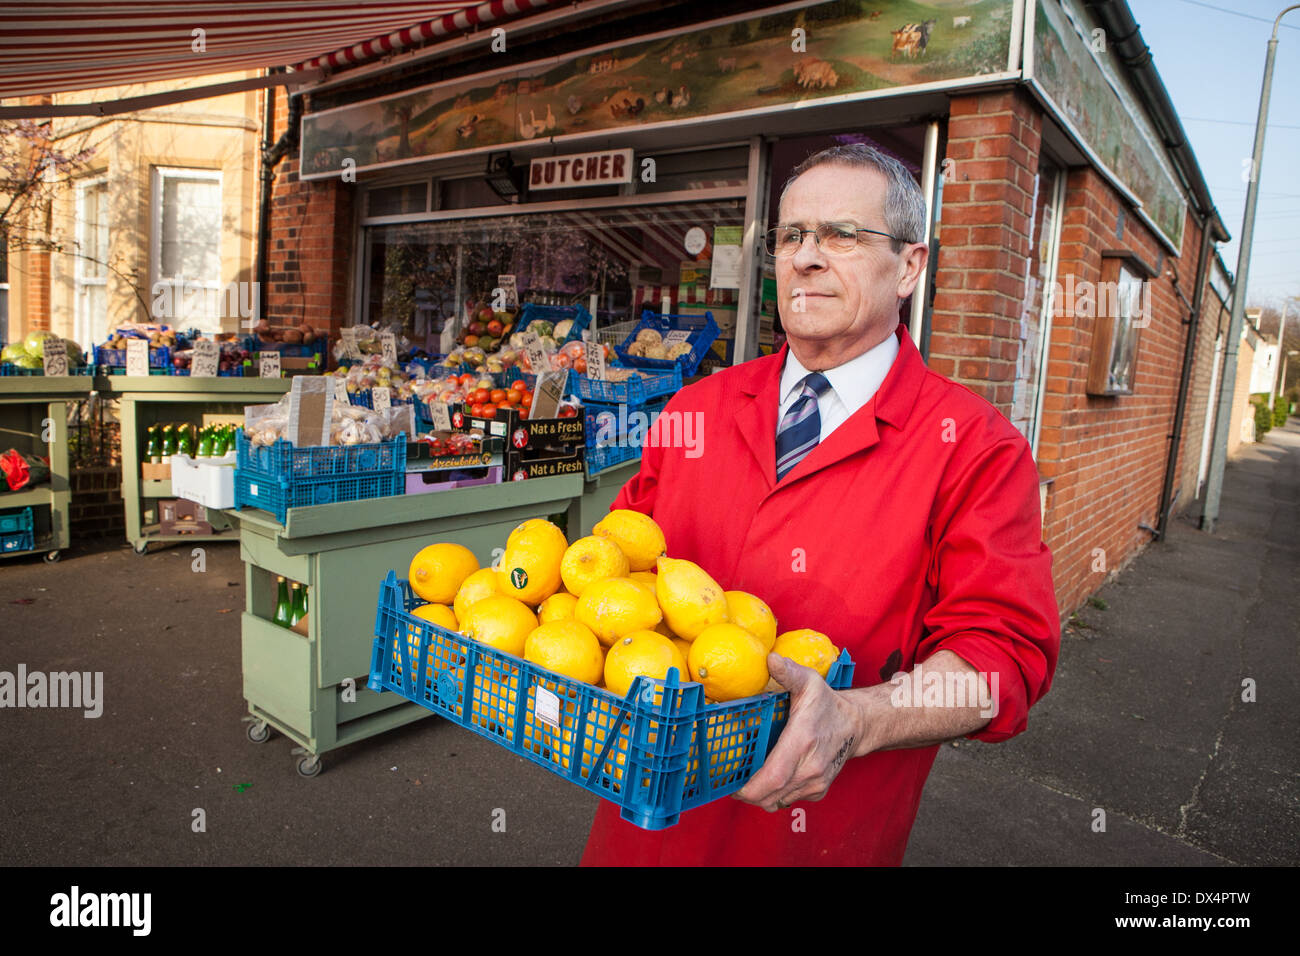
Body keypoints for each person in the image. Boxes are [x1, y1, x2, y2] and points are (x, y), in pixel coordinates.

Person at [579, 144, 1060, 866]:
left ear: (909, 266)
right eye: (791, 235)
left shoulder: (974, 447)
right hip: (645, 826)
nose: (805, 257)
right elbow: (615, 564)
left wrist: (858, 719)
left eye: (841, 235)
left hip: (820, 834)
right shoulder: (697, 408)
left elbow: (1006, 657)